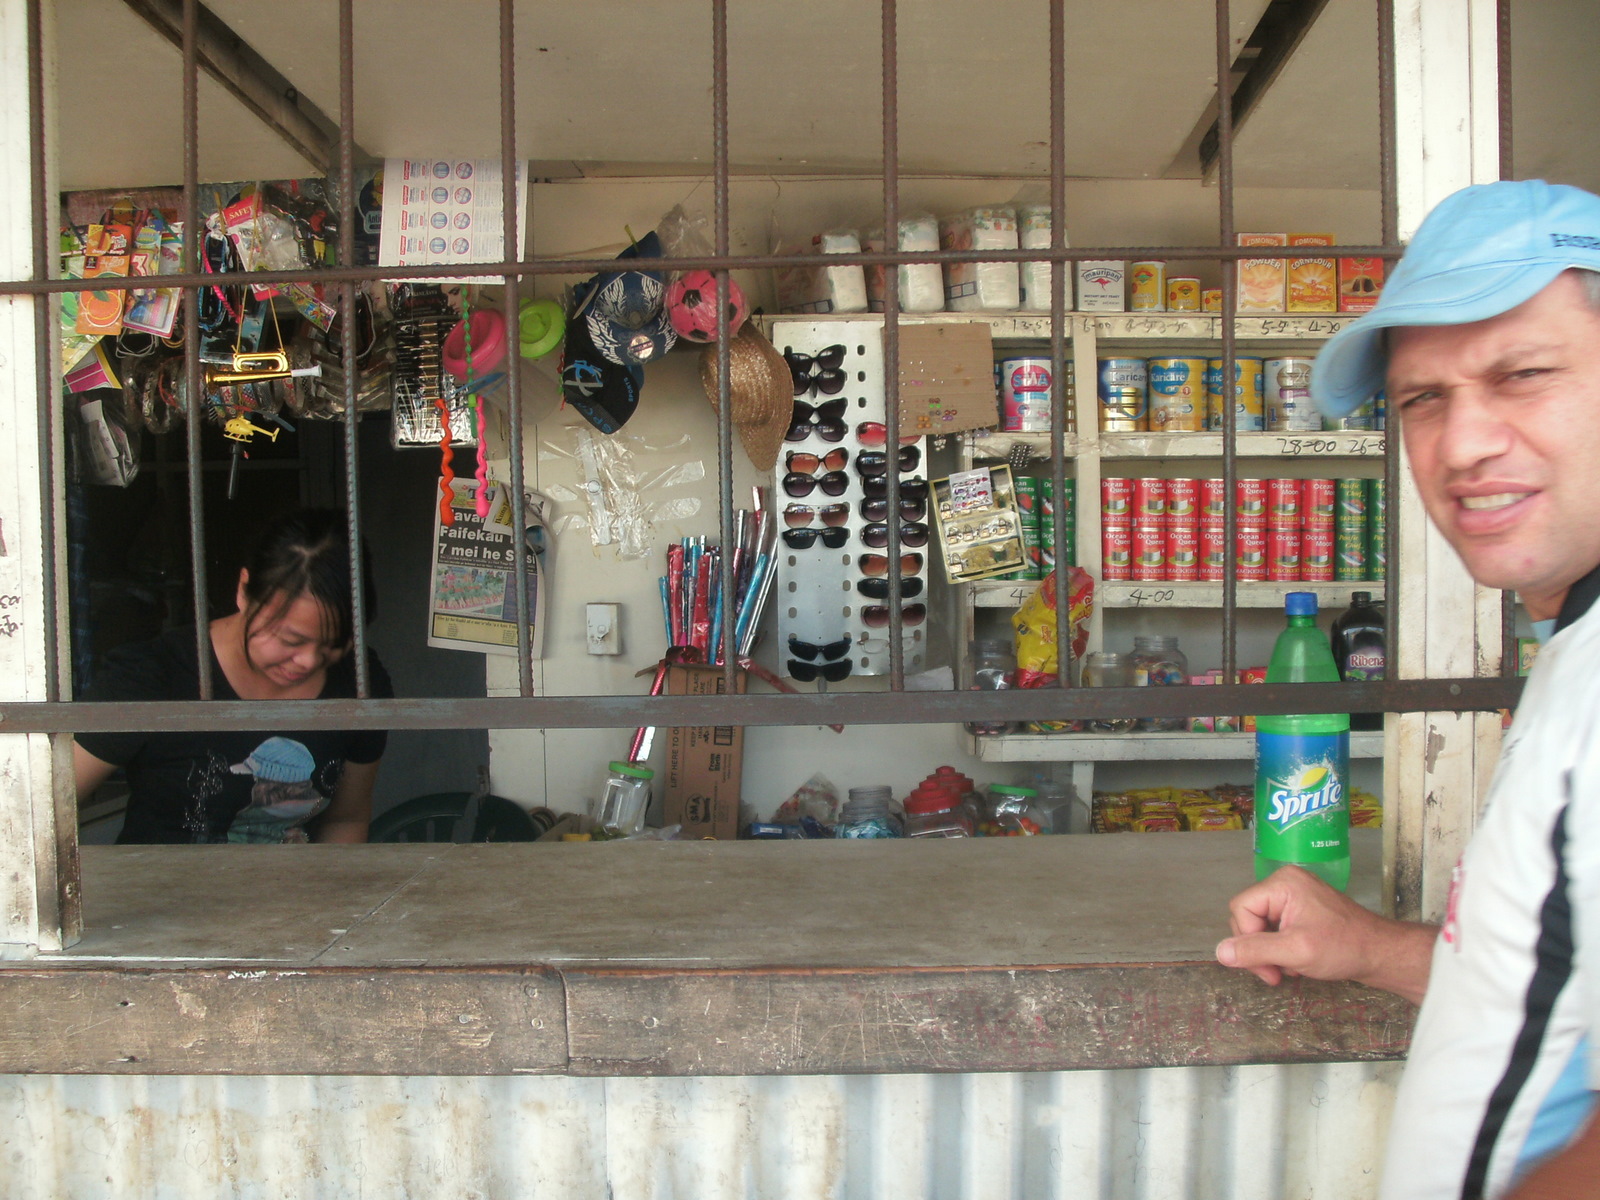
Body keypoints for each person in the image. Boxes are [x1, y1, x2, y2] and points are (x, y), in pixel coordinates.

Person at [1214, 179, 1600, 1199]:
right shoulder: (1572, 647)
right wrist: (1374, 950)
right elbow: (1557, 997)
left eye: (1521, 374)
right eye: (1423, 399)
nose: (1460, 445)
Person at [74, 508, 391, 844]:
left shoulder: (359, 682)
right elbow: (38, 808)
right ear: (244, 590)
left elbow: (345, 820)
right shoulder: (151, 676)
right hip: (163, 894)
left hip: (294, 895)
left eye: (334, 644)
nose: (309, 661)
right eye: (290, 640)